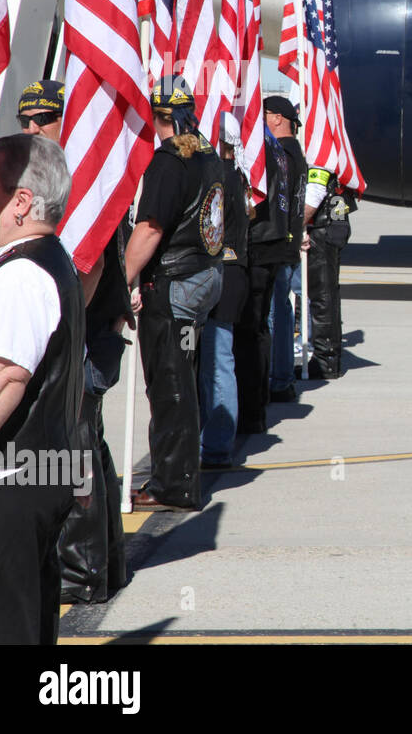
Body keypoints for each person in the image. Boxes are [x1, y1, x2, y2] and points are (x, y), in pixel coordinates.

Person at [18, 81, 129, 603]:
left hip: (84, 333)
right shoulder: (66, 176)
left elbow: (94, 262)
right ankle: (109, 560)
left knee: (76, 452)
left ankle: (82, 574)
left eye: (44, 118)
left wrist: (64, 330)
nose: (33, 129)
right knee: (92, 446)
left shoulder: (83, 178)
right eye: (27, 120)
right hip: (93, 330)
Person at [0, 134, 84, 644]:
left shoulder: (20, 274)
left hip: (8, 482)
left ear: (20, 202)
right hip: (38, 475)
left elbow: (1, 379)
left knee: (6, 626)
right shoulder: (52, 260)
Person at [124, 77, 225, 511]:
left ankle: (175, 484)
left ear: (156, 115)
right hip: (203, 277)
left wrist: (123, 278)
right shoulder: (208, 154)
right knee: (183, 378)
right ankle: (177, 474)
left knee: (169, 385)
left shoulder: (170, 162)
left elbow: (150, 228)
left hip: (175, 282)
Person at [198, 114, 252, 469]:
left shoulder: (221, 177)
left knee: (218, 362)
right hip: (235, 271)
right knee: (217, 361)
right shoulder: (239, 177)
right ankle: (215, 439)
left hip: (225, 272)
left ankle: (217, 445)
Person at [235, 122, 291, 434]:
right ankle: (258, 404)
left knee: (248, 333)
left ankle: (251, 410)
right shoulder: (272, 144)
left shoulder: (259, 142)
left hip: (258, 246)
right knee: (258, 330)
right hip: (273, 243)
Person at [261, 97, 306, 404]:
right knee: (283, 310)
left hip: (278, 243)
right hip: (288, 241)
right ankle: (282, 377)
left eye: (264, 115)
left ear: (277, 119)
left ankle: (277, 379)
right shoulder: (295, 153)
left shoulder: (282, 155)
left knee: (274, 314)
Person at [302, 165, 354, 380]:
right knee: (328, 292)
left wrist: (297, 226)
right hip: (333, 220)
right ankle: (328, 356)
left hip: (324, 224)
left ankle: (326, 359)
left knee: (322, 294)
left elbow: (316, 189)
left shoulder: (319, 154)